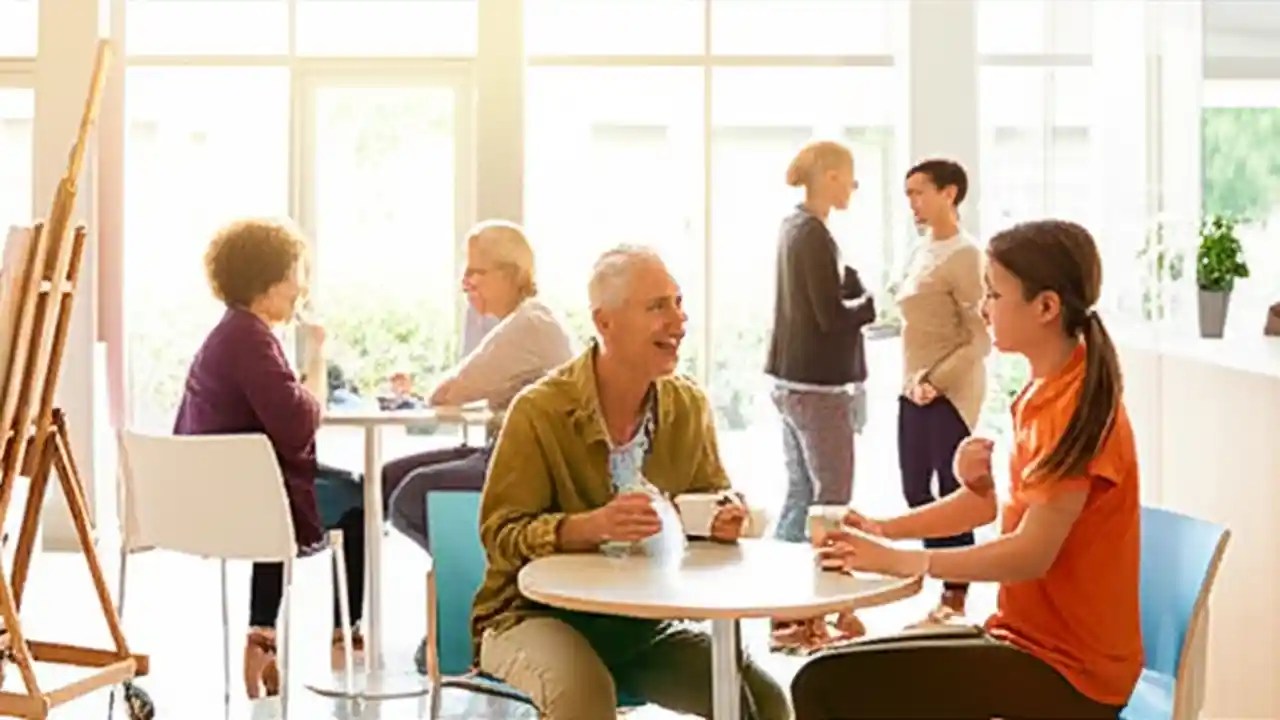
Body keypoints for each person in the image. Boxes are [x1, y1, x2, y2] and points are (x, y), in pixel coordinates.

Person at [792, 220, 1141, 720]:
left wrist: (901, 560)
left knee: (824, 683)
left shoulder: (1075, 410)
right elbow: (985, 508)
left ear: (1046, 307)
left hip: (1070, 675)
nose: (983, 309)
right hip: (1027, 644)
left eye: (994, 295)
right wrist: (883, 530)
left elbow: (1029, 555)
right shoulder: (1044, 392)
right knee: (836, 671)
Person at [472, 246, 790, 720]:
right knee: (584, 695)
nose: (678, 321)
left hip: (641, 623)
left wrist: (723, 518)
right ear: (605, 323)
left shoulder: (687, 405)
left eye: (678, 303)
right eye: (657, 306)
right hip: (528, 615)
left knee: (761, 701)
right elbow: (501, 535)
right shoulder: (538, 411)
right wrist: (590, 527)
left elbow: (709, 497)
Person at [174, 218, 365, 698]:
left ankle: (263, 637)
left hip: (221, 493)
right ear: (272, 280)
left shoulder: (228, 335)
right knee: (361, 501)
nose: (302, 286)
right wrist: (318, 357)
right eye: (297, 273)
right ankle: (347, 641)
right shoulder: (252, 340)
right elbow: (302, 421)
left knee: (275, 486)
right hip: (248, 501)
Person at [382, 219, 574, 552]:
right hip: (504, 452)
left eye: (475, 273)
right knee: (387, 479)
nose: (465, 284)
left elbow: (448, 392)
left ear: (511, 273)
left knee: (413, 494)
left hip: (531, 467)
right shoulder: (523, 321)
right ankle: (469, 572)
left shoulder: (529, 324)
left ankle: (485, 574)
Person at [765, 139, 876, 651]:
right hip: (816, 386)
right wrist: (867, 303)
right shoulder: (811, 233)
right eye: (849, 177)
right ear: (829, 176)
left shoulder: (797, 229)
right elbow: (830, 316)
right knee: (830, 501)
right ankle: (808, 612)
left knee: (802, 496)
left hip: (794, 382)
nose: (852, 188)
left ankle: (793, 610)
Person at [896, 158, 990, 617]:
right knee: (914, 488)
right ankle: (942, 571)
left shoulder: (966, 254)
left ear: (949, 193)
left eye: (920, 192)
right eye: (908, 194)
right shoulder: (920, 250)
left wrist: (936, 381)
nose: (912, 202)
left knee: (952, 492)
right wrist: (914, 382)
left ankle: (955, 591)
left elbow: (981, 337)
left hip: (949, 390)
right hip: (912, 385)